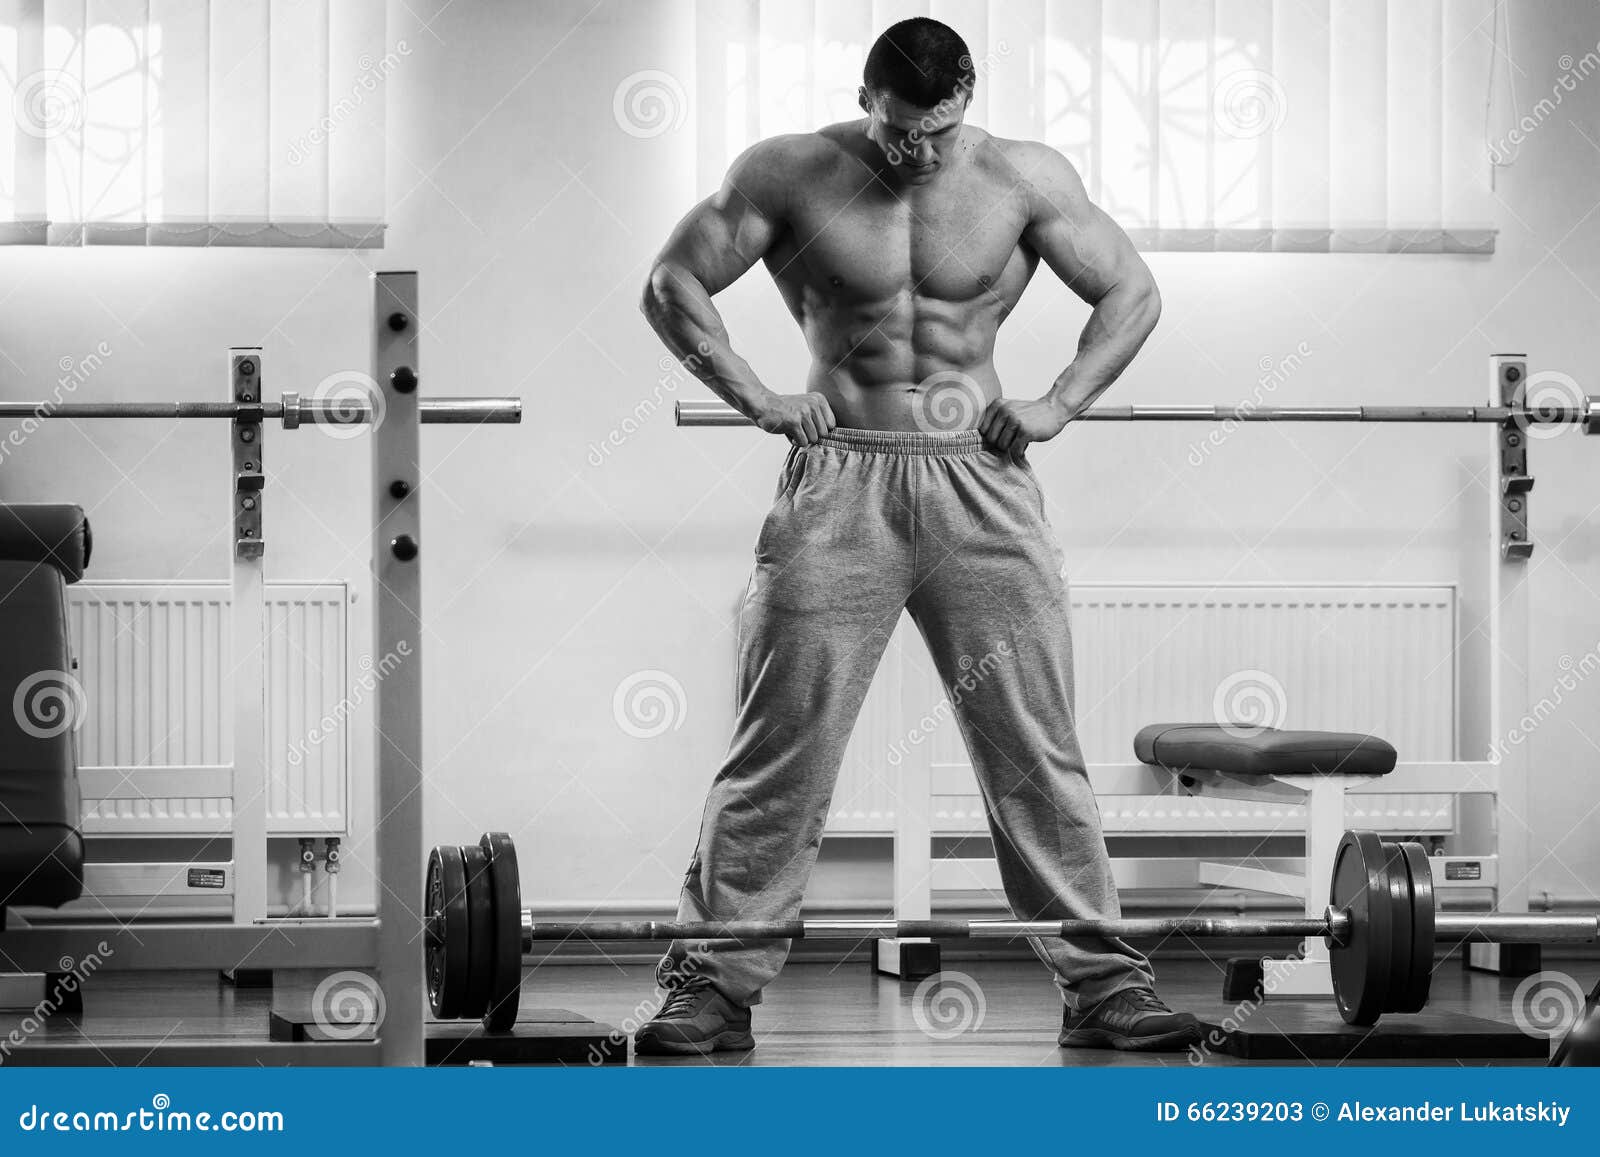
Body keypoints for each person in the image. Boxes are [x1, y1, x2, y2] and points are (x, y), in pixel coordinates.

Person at [635, 16, 1198, 1055]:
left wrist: (1061, 399)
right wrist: (754, 393)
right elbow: (671, 284)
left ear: (965, 102)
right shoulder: (787, 172)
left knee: (1032, 740)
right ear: (867, 98)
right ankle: (711, 983)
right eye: (899, 134)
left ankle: (1104, 985)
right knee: (782, 741)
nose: (918, 155)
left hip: (980, 480)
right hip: (841, 475)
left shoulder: (1024, 178)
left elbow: (1132, 289)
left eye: (937, 135)